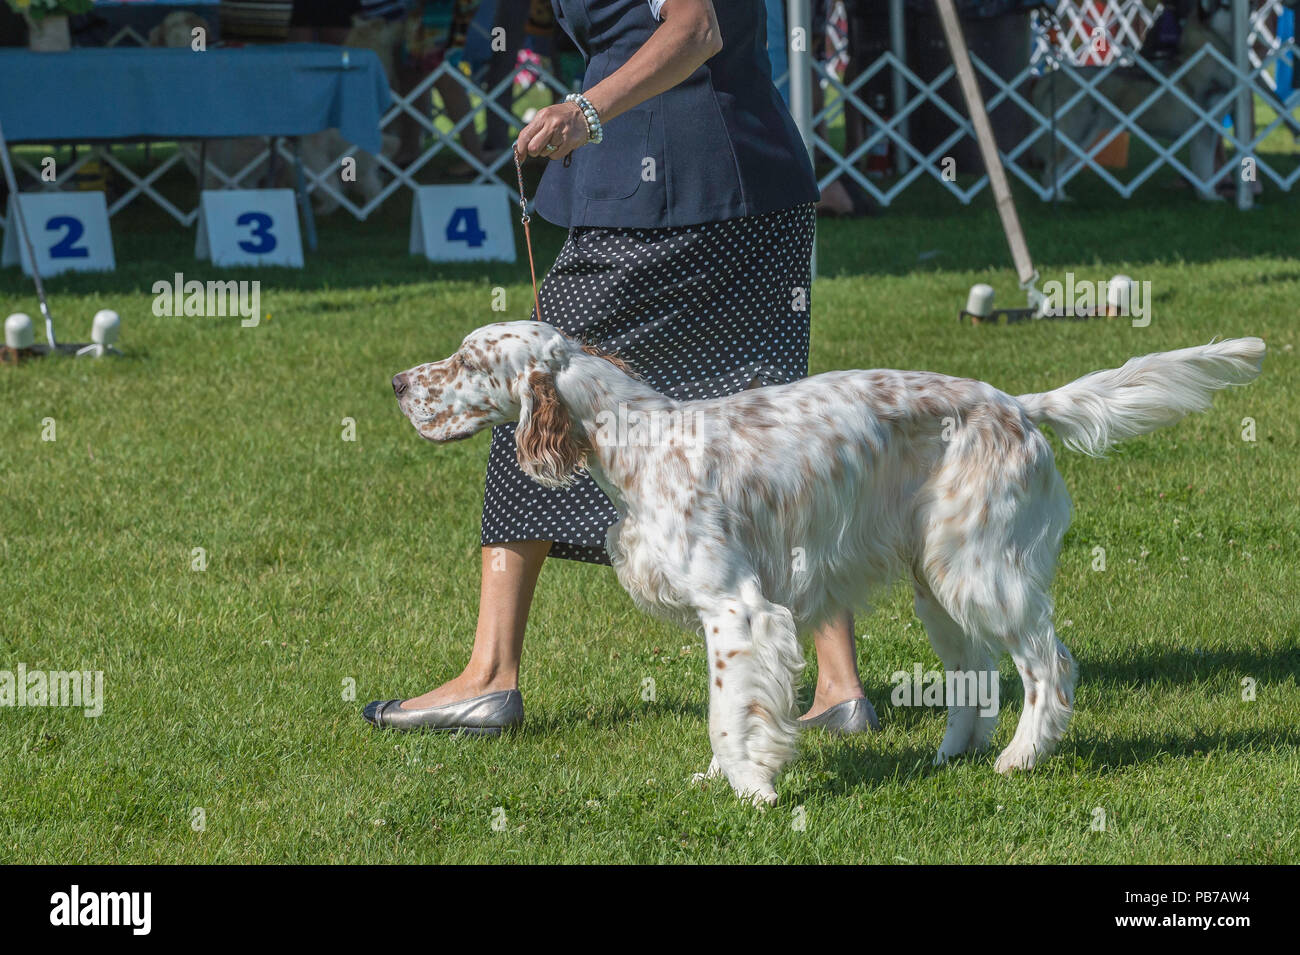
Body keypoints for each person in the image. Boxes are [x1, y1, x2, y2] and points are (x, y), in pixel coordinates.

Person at [364, 0, 880, 737]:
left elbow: (695, 27)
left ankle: (487, 677)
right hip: (749, 183)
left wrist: (587, 109)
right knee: (769, 447)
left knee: (534, 396)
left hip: (669, 186)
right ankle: (838, 687)